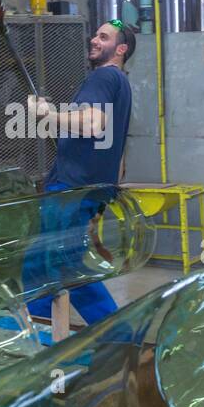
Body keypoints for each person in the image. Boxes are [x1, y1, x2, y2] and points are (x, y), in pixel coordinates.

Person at [22, 19, 136, 326]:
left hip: (73, 189)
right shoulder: (121, 83)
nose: (95, 40)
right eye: (96, 35)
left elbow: (91, 125)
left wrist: (47, 114)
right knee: (42, 261)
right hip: (87, 187)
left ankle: (117, 334)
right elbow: (110, 138)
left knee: (61, 262)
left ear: (120, 49)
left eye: (104, 37)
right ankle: (41, 329)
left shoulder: (102, 78)